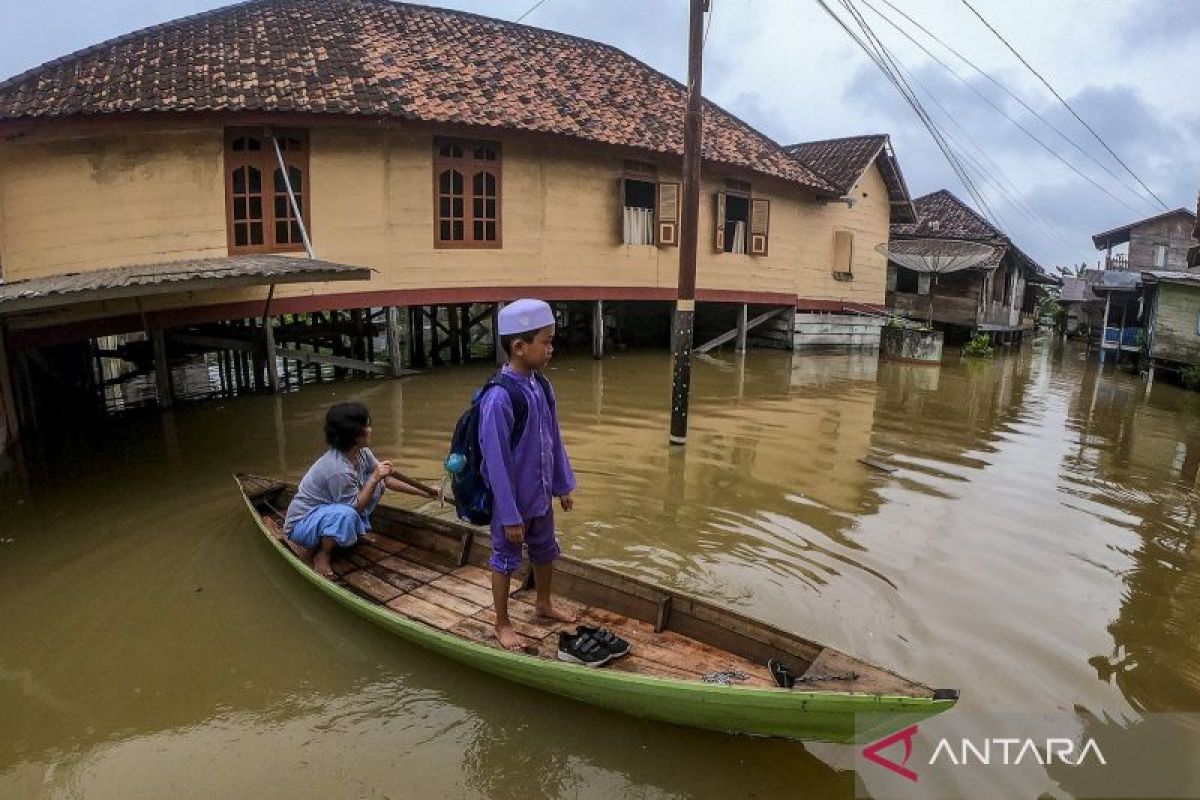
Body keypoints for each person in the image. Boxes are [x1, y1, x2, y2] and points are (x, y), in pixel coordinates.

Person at [480, 298, 577, 651]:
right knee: (505, 558)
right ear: (519, 347)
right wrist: (508, 514)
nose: (551, 349)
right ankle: (501, 622)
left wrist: (563, 485)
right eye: (546, 341)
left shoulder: (542, 386)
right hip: (514, 503)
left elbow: (554, 437)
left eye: (551, 340)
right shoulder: (499, 399)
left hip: (541, 495)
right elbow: (495, 462)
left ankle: (544, 602)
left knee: (545, 549)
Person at [284, 402, 425, 578]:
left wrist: (426, 492)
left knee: (377, 485)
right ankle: (323, 554)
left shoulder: (362, 453)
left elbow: (387, 479)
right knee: (348, 512)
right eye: (367, 426)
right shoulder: (337, 469)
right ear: (356, 435)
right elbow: (354, 507)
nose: (371, 429)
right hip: (302, 524)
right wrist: (374, 478)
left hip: (330, 510)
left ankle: (355, 531)